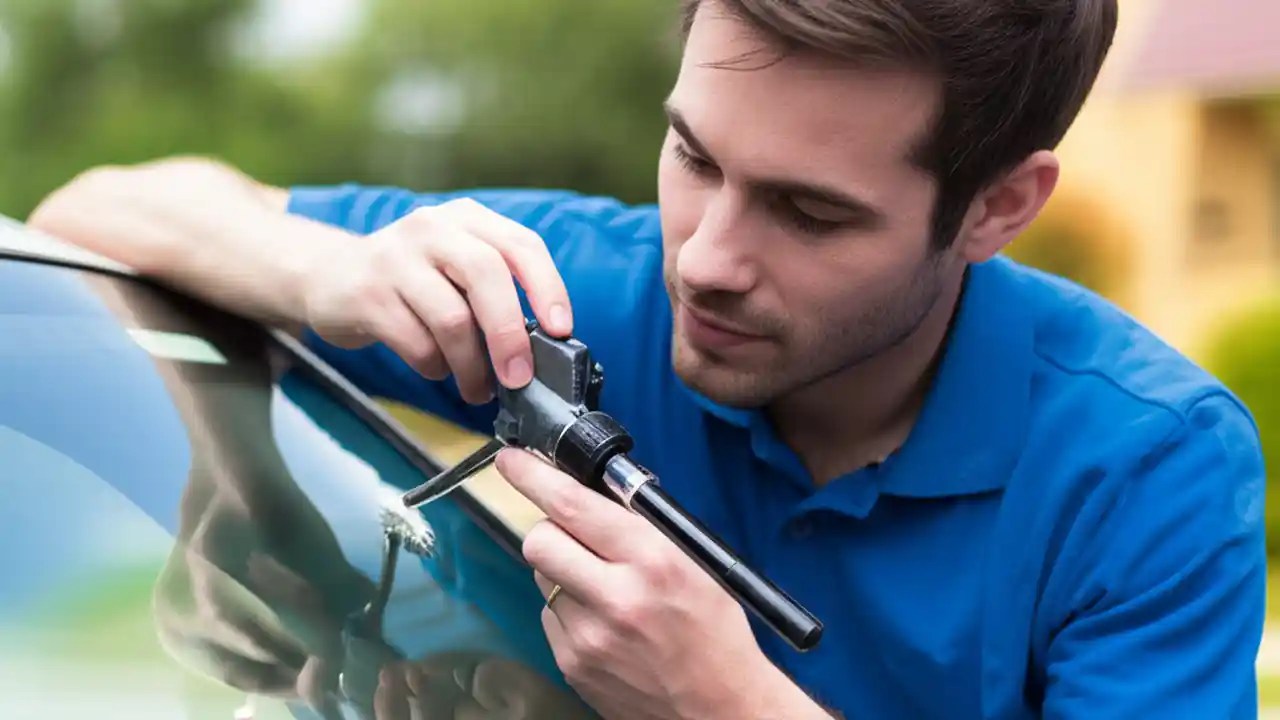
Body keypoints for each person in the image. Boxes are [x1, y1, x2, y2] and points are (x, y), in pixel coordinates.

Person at [28, 0, 1267, 717]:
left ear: (997, 206)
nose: (705, 260)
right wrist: (323, 276)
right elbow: (86, 220)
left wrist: (728, 702)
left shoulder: (1149, 474)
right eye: (693, 157)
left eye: (809, 213)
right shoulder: (585, 289)